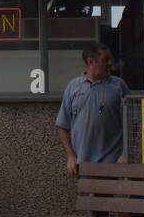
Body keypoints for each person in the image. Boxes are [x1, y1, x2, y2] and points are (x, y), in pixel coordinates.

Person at [55, 43, 128, 177]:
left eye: (110, 59)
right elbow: (62, 126)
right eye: (105, 60)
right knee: (87, 198)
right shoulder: (73, 87)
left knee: (108, 198)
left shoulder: (118, 86)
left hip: (112, 163)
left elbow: (132, 124)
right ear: (90, 62)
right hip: (83, 165)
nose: (110, 63)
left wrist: (125, 154)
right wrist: (71, 156)